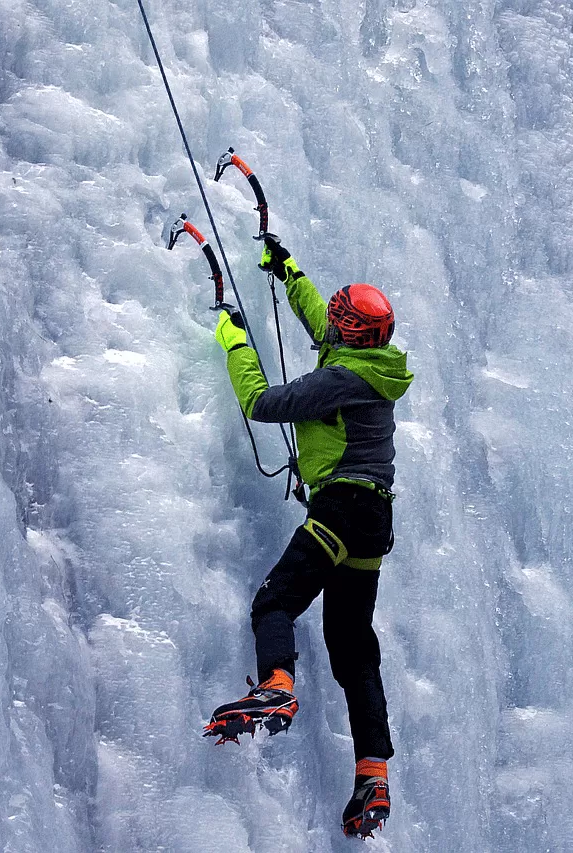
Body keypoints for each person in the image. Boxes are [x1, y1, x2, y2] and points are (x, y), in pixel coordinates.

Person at [205, 234, 413, 838]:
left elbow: (263, 402)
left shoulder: (341, 377)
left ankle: (276, 688)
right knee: (352, 646)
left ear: (355, 334)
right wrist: (286, 266)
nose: (335, 325)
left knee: (276, 600)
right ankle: (372, 774)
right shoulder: (373, 365)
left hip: (341, 510)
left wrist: (234, 338)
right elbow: (322, 319)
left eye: (344, 321)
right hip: (373, 524)